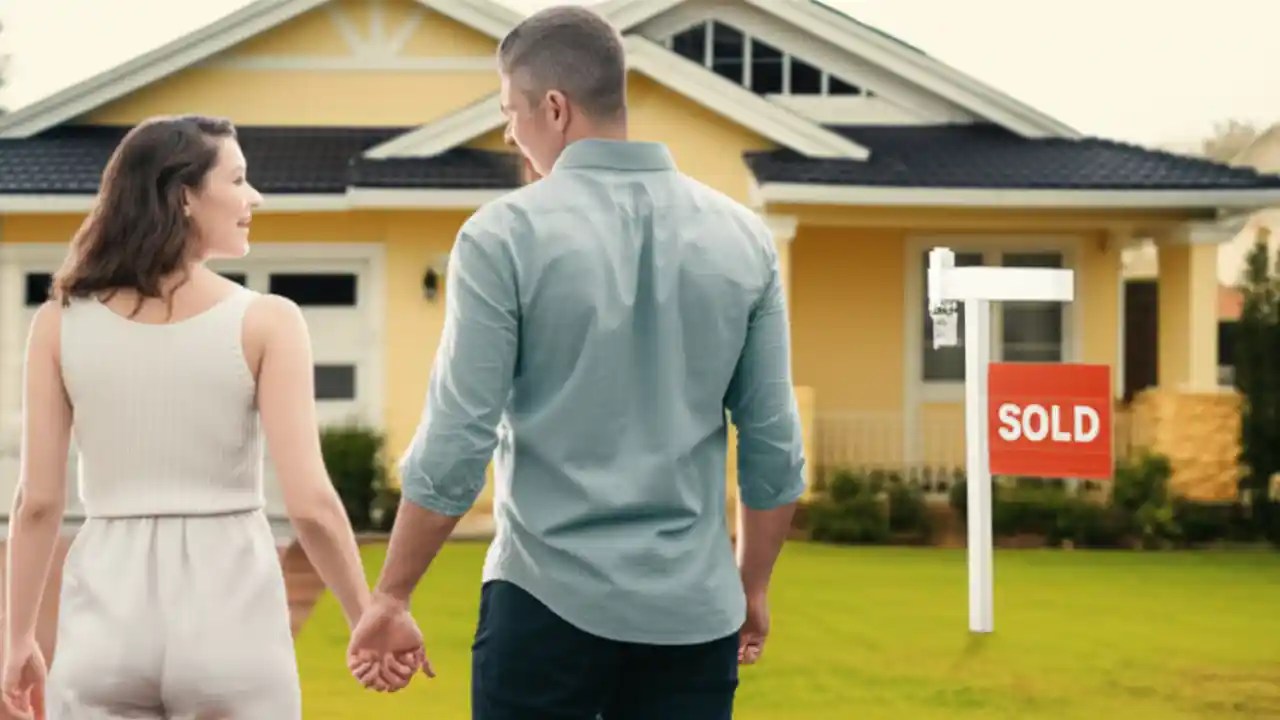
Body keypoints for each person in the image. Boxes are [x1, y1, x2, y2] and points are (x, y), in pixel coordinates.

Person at [347, 5, 807, 718]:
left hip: (543, 606)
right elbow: (774, 445)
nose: (509, 133)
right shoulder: (744, 239)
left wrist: (392, 595)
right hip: (693, 619)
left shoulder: (503, 236)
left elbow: (458, 437)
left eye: (511, 111)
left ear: (555, 108)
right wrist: (750, 589)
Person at [1, 115, 421, 719]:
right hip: (230, 620)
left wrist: (17, 640)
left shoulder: (57, 324)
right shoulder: (268, 321)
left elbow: (38, 502)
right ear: (184, 197)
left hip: (107, 623)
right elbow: (311, 505)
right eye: (239, 179)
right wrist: (366, 616)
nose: (255, 197)